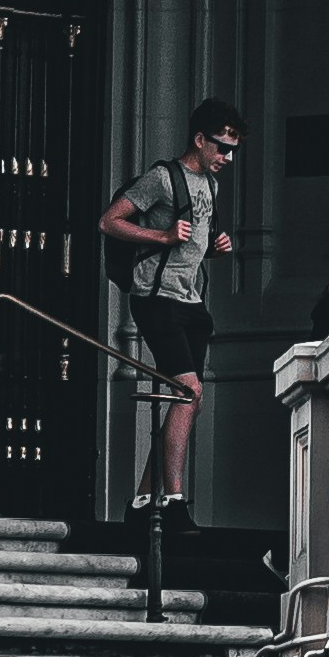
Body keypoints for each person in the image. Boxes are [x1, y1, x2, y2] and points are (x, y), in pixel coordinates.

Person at [102, 100, 242, 600]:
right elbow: (110, 221)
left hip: (192, 301)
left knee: (190, 398)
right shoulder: (163, 178)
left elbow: (198, 237)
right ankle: (174, 501)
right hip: (155, 297)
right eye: (222, 146)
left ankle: (143, 500)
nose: (227, 156)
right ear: (200, 139)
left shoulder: (213, 185)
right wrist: (161, 234)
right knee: (186, 390)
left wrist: (216, 244)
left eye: (233, 149)